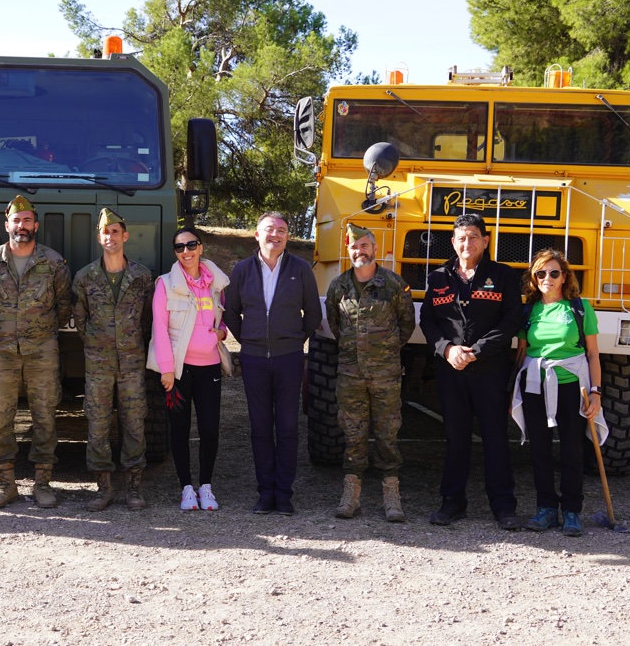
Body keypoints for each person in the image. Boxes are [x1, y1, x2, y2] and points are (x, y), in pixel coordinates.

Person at [418, 213, 526, 530]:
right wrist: (448, 350)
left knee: (495, 437)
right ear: (454, 242)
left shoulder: (503, 275)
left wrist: (477, 351)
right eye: (462, 237)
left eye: (474, 236)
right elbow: (428, 320)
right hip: (451, 369)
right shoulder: (438, 277)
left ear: (486, 241)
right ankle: (452, 502)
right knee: (456, 437)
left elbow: (511, 321)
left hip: (490, 369)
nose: (468, 242)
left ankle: (504, 506)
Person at [0, 194, 72, 509]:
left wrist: (36, 332)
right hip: (1, 352)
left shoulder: (53, 262)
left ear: (35, 226)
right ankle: (6, 484)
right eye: (17, 220)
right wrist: (4, 331)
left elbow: (64, 306)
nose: (22, 226)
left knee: (45, 416)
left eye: (27, 220)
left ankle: (43, 484)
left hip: (42, 351)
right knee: (1, 417)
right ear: (7, 225)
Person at [223, 212, 322, 515]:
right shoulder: (241, 270)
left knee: (289, 426)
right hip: (253, 359)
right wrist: (249, 341)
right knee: (261, 427)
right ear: (257, 235)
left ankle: (284, 493)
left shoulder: (301, 269)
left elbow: (313, 315)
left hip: (289, 359)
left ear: (287, 237)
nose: (275, 235)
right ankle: (265, 492)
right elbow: (231, 313)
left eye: (281, 230)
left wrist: (292, 341)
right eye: (269, 230)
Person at [511, 249, 606, 537]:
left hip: (572, 385)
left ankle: (572, 511)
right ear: (533, 278)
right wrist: (511, 392)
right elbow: (522, 353)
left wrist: (596, 393)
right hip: (534, 385)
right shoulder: (528, 310)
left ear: (565, 276)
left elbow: (592, 354)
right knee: (539, 449)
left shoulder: (579, 308)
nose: (547, 278)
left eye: (554, 272)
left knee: (572, 450)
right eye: (540, 273)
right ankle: (546, 509)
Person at [325, 224, 416, 522]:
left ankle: (392, 496)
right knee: (353, 433)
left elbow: (406, 326)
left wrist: (384, 352)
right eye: (353, 246)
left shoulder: (393, 284)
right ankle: (351, 494)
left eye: (364, 245)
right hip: (350, 374)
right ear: (348, 250)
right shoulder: (338, 286)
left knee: (387, 433)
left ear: (375, 248)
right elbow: (336, 326)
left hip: (385, 374)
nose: (359, 250)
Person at [72, 208, 154, 512]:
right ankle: (103, 488)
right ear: (99, 237)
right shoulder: (85, 277)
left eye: (115, 232)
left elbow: (148, 320)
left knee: (134, 422)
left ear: (125, 236)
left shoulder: (142, 277)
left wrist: (129, 342)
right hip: (98, 364)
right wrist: (98, 344)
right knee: (98, 424)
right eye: (105, 232)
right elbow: (80, 319)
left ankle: (134, 487)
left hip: (132, 362)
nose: (110, 237)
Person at [148, 226, 231, 511]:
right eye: (180, 247)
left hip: (209, 367)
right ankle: (186, 488)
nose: (186, 251)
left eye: (191, 245)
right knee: (179, 430)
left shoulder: (215, 282)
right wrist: (166, 370)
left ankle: (206, 486)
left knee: (209, 429)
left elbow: (224, 318)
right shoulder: (165, 284)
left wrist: (221, 334)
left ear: (201, 247)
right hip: (179, 371)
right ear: (175, 252)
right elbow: (159, 328)